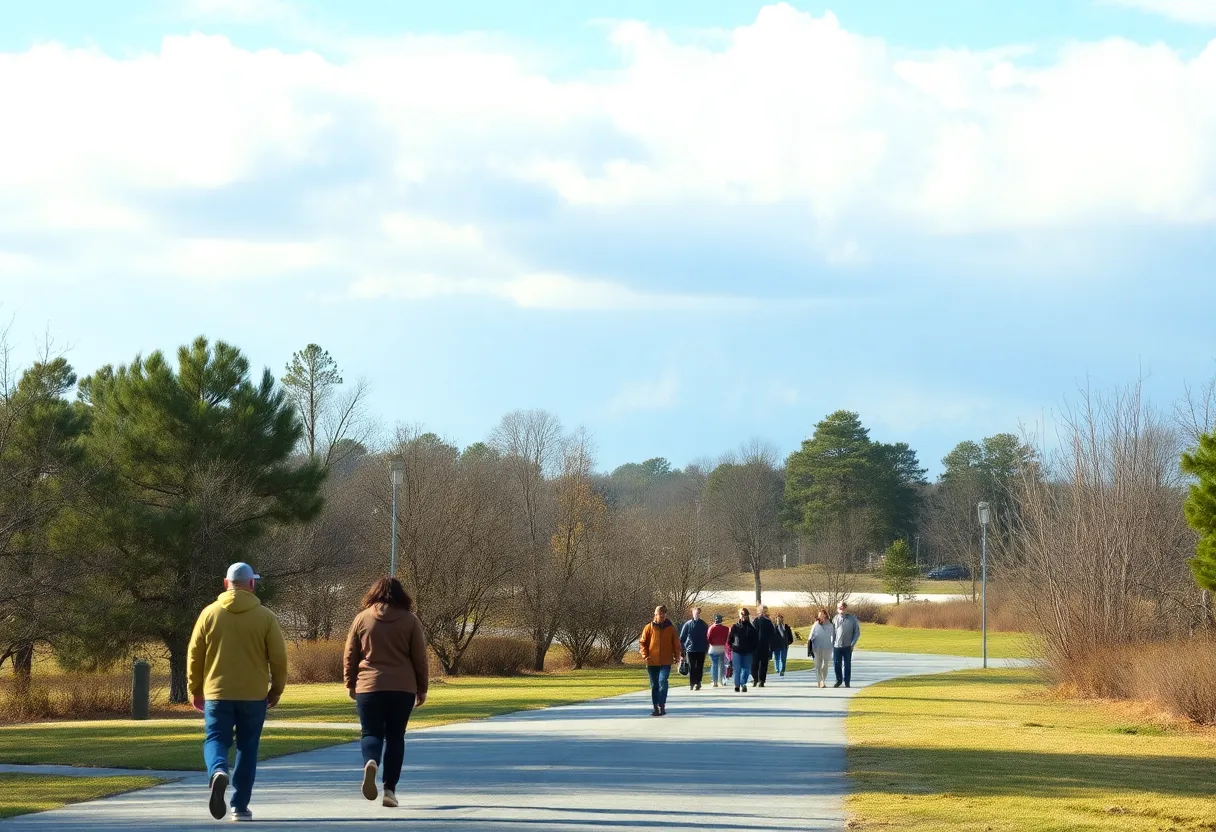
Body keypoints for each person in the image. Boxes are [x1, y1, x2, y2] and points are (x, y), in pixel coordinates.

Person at [188, 562, 288, 823]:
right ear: (252, 584)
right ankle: (239, 807)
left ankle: (219, 770)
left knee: (215, 740)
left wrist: (194, 689)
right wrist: (276, 690)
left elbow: (194, 656)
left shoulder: (209, 614)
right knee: (248, 747)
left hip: (217, 693)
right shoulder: (265, 616)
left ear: (225, 583)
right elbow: (278, 659)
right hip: (253, 696)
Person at [343, 576, 429, 809]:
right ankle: (389, 789)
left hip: (369, 686)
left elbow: (351, 654)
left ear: (374, 594)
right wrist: (422, 688)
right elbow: (419, 657)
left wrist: (350, 683)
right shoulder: (410, 620)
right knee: (395, 737)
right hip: (402, 688)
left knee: (370, 732)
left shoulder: (362, 619)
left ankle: (371, 761)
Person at [639, 605, 682, 716]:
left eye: (663, 613)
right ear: (655, 614)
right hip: (652, 661)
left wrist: (677, 657)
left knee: (663, 681)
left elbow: (676, 644)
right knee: (654, 685)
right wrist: (645, 656)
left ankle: (661, 705)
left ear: (665, 614)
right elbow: (642, 643)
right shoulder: (649, 627)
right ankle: (655, 707)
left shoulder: (670, 628)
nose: (661, 615)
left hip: (666, 661)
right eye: (659, 613)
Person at [728, 608, 759, 693]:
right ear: (739, 615)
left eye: (745, 615)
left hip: (748, 652)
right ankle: (737, 685)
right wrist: (731, 647)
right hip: (737, 651)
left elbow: (756, 640)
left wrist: (753, 649)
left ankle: (743, 683)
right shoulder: (735, 627)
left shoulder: (751, 628)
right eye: (742, 614)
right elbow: (730, 639)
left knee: (746, 669)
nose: (743, 616)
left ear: (747, 616)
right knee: (737, 669)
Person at [678, 606, 709, 691]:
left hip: (701, 649)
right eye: (696, 613)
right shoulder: (688, 624)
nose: (697, 615)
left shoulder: (704, 624)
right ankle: (692, 683)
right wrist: (682, 651)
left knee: (699, 667)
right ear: (693, 613)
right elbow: (682, 638)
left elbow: (707, 637)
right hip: (690, 649)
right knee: (692, 667)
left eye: (699, 613)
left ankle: (698, 682)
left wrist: (706, 647)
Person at [833, 601, 862, 688]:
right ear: (837, 609)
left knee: (847, 664)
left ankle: (847, 681)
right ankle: (839, 680)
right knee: (837, 664)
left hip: (848, 646)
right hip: (837, 646)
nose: (841, 609)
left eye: (842, 607)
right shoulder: (835, 619)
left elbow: (857, 632)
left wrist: (852, 644)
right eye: (839, 607)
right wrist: (832, 643)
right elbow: (832, 632)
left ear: (845, 608)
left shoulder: (852, 619)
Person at [808, 608, 835, 688]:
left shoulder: (830, 626)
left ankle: (823, 679)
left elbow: (833, 636)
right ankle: (820, 681)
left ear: (826, 615)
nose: (820, 617)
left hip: (827, 648)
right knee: (818, 666)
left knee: (825, 665)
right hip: (816, 648)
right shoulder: (816, 625)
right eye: (819, 616)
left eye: (821, 615)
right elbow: (810, 637)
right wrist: (809, 649)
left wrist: (833, 645)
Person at [751, 604, 776, 687]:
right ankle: (762, 680)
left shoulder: (755, 621)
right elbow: (772, 635)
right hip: (765, 645)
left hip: (755, 645)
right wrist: (771, 645)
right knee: (763, 664)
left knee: (755, 663)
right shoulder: (768, 622)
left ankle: (755, 679)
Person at [706, 613, 730, 688]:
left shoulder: (711, 628)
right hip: (722, 647)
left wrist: (711, 644)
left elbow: (708, 637)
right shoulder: (726, 629)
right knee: (721, 664)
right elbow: (727, 638)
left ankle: (715, 682)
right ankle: (721, 681)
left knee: (714, 664)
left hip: (713, 648)